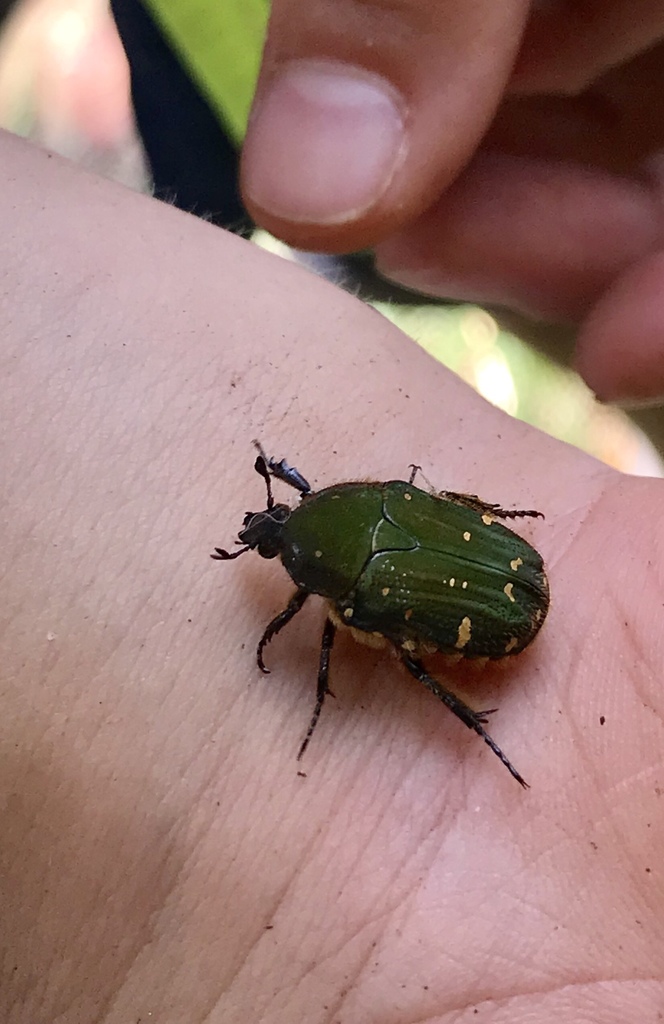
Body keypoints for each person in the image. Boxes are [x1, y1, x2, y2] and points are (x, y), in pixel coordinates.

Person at [2, 5, 664, 1021]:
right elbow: (385, 505)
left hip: (496, 595)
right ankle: (473, 723)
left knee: (391, 656)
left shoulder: (333, 559)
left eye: (272, 527)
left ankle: (472, 731)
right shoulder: (342, 513)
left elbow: (317, 615)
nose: (269, 536)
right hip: (493, 568)